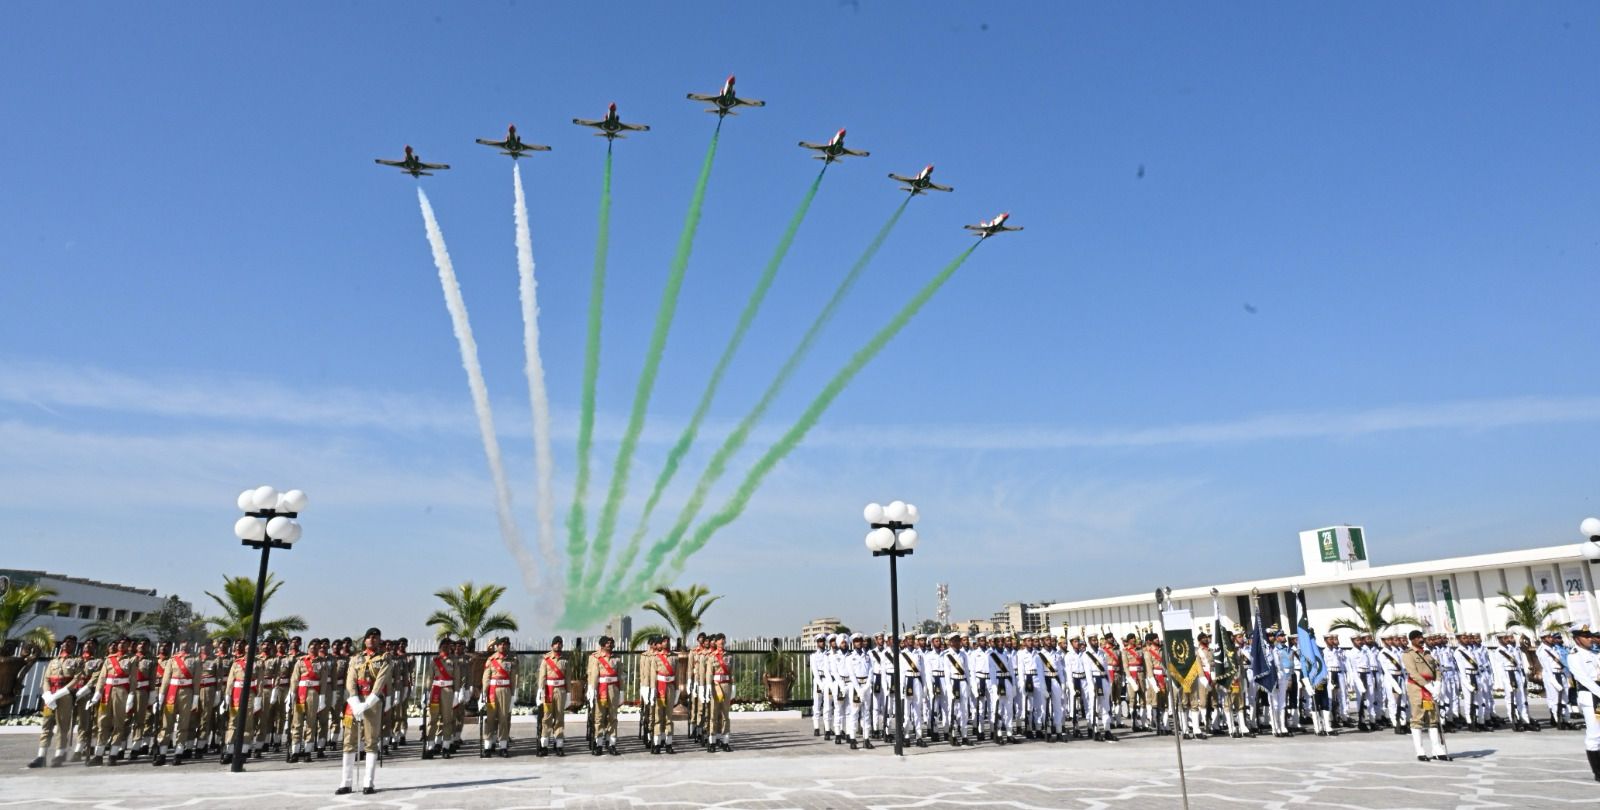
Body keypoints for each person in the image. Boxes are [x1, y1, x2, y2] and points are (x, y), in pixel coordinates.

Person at [336, 627, 391, 796]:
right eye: (369, 637)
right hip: (353, 703)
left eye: (376, 638)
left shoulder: (385, 658)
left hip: (372, 702)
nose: (372, 640)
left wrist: (366, 704)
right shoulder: (355, 658)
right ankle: (346, 782)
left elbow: (380, 682)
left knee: (371, 741)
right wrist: (354, 702)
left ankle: (368, 782)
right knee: (348, 740)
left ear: (379, 640)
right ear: (365, 640)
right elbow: (350, 681)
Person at [29, 637, 83, 769]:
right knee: (46, 725)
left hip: (64, 696)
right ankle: (41, 756)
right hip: (50, 696)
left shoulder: (76, 661)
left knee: (62, 726)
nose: (66, 645)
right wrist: (47, 694)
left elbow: (77, 679)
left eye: (70, 643)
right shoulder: (53, 661)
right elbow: (46, 678)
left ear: (74, 646)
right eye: (65, 642)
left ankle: (59, 754)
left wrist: (63, 691)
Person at [1400, 629, 1450, 762]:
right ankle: (1420, 751)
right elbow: (1413, 673)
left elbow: (1437, 669)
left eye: (1421, 637)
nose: (1421, 639)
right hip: (1417, 688)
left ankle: (1437, 749)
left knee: (1433, 717)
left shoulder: (1428, 653)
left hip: (1431, 687)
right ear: (1412, 640)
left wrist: (1438, 684)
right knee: (1418, 717)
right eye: (1417, 638)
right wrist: (1427, 686)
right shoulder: (1408, 654)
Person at [154, 642, 197, 765]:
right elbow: (166, 679)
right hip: (172, 692)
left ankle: (178, 752)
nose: (184, 647)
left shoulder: (195, 660)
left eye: (186, 645)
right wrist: (161, 695)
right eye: (182, 645)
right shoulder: (172, 660)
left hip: (187, 692)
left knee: (183, 724)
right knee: (166, 723)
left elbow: (197, 679)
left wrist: (195, 696)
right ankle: (162, 753)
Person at [1567, 625, 1600, 781]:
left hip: (1598, 697)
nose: (1589, 639)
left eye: (1589, 635)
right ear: (1577, 639)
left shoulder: (1594, 653)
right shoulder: (1574, 656)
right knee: (1594, 735)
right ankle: (1598, 772)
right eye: (1585, 636)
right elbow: (1583, 679)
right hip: (1591, 698)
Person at [480, 636, 517, 757]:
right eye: (501, 644)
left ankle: (503, 746)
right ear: (497, 646)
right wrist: (483, 693)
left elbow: (513, 678)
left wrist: (513, 694)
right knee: (490, 719)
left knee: (503, 719)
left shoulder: (512, 660)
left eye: (506, 644)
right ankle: (488, 746)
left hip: (505, 691)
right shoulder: (491, 660)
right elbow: (486, 678)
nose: (503, 646)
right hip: (492, 691)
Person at [1492, 632, 1535, 731]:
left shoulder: (1511, 649)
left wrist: (1522, 677)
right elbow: (1500, 669)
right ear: (1500, 640)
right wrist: (1506, 683)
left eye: (1507, 637)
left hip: (1516, 673)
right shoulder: (1499, 651)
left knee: (1522, 699)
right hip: (1508, 674)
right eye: (1505, 638)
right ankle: (1514, 721)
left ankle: (1525, 720)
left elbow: (1518, 664)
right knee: (1511, 700)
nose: (1507, 640)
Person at [535, 636, 570, 757]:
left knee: (559, 717)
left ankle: (559, 744)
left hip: (560, 691)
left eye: (560, 643)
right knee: (546, 718)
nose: (558, 645)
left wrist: (569, 693)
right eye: (556, 643)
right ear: (552, 645)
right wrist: (540, 690)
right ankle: (544, 745)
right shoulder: (546, 659)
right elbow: (542, 676)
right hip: (548, 691)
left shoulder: (565, 660)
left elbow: (568, 678)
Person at [586, 635, 620, 756]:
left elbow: (620, 676)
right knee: (599, 717)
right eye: (607, 643)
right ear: (602, 644)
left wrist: (621, 691)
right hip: (601, 690)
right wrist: (591, 689)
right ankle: (598, 743)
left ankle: (611, 743)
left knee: (613, 717)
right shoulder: (596, 658)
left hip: (613, 690)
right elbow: (593, 675)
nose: (609, 645)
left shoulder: (617, 658)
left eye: (611, 642)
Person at [423, 638, 457, 759]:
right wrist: (426, 693)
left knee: (448, 720)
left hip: (448, 691)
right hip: (435, 691)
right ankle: (430, 747)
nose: (446, 648)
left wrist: (457, 693)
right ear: (440, 647)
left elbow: (457, 677)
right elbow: (429, 677)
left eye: (448, 646)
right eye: (444, 645)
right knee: (432, 720)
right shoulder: (434, 661)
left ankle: (446, 746)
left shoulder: (454, 661)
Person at [809, 635, 830, 738]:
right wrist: (820, 684)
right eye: (819, 641)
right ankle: (816, 727)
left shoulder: (828, 654)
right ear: (817, 643)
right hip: (818, 680)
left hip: (827, 680)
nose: (821, 643)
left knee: (827, 705)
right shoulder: (813, 656)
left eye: (822, 641)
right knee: (817, 704)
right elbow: (815, 671)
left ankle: (827, 728)